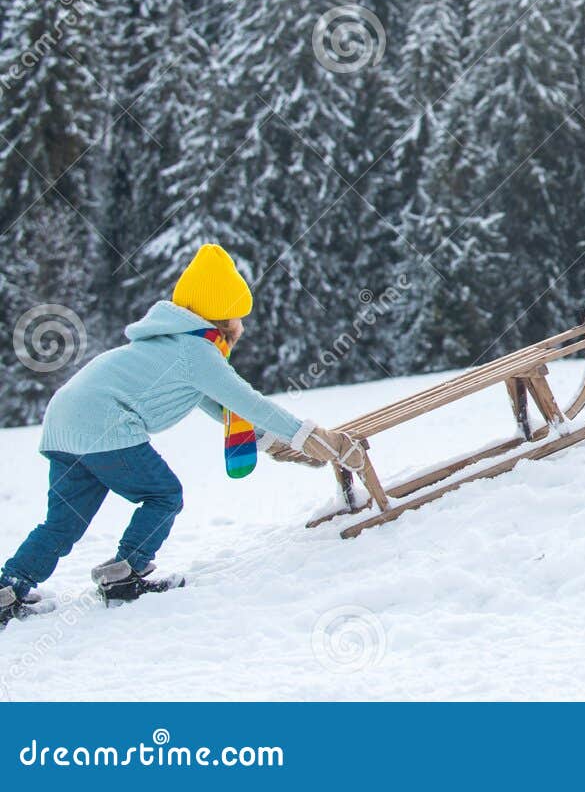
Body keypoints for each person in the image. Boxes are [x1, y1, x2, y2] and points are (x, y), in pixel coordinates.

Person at [0, 244, 362, 623]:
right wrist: (312, 437)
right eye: (239, 319)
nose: (241, 329)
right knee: (163, 495)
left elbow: (221, 407)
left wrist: (270, 442)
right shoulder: (197, 351)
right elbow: (248, 402)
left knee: (63, 522)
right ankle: (126, 574)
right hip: (104, 425)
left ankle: (10, 588)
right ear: (223, 320)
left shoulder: (168, 343)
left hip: (62, 423)